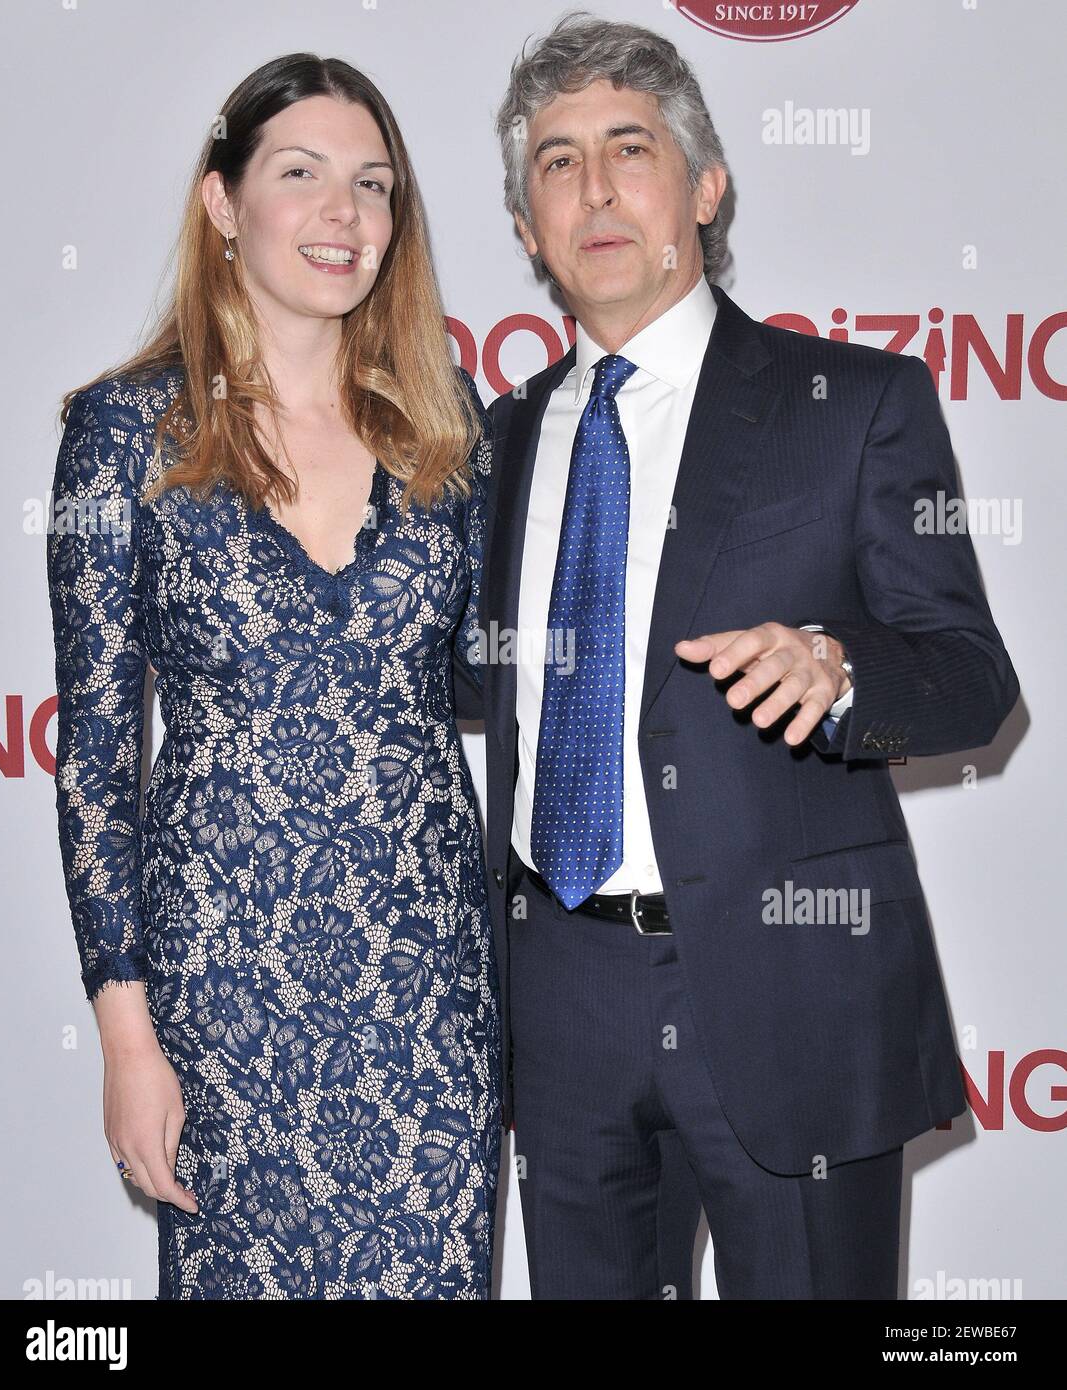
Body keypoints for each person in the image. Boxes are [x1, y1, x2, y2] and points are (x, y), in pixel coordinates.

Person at [457, 12, 1020, 1299]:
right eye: (553, 162)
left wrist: (838, 668)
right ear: (527, 227)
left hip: (788, 996)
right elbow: (462, 678)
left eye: (627, 148)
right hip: (560, 1000)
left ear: (704, 188)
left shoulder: (853, 403)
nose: (592, 188)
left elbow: (970, 674)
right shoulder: (487, 447)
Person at [47, 52, 500, 1300]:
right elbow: (92, 758)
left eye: (373, 184)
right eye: (299, 176)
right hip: (223, 998)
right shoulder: (124, 433)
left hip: (425, 991)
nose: (343, 214)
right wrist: (126, 1033)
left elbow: (494, 681)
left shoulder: (445, 430)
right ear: (221, 203)